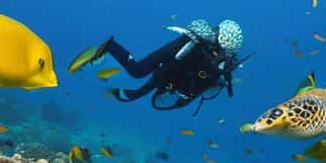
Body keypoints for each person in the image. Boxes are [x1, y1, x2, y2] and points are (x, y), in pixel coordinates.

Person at [74, 20, 245, 111]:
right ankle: (110, 46)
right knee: (137, 71)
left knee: (139, 84)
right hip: (172, 63)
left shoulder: (216, 59)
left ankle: (114, 85)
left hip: (172, 71)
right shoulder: (196, 45)